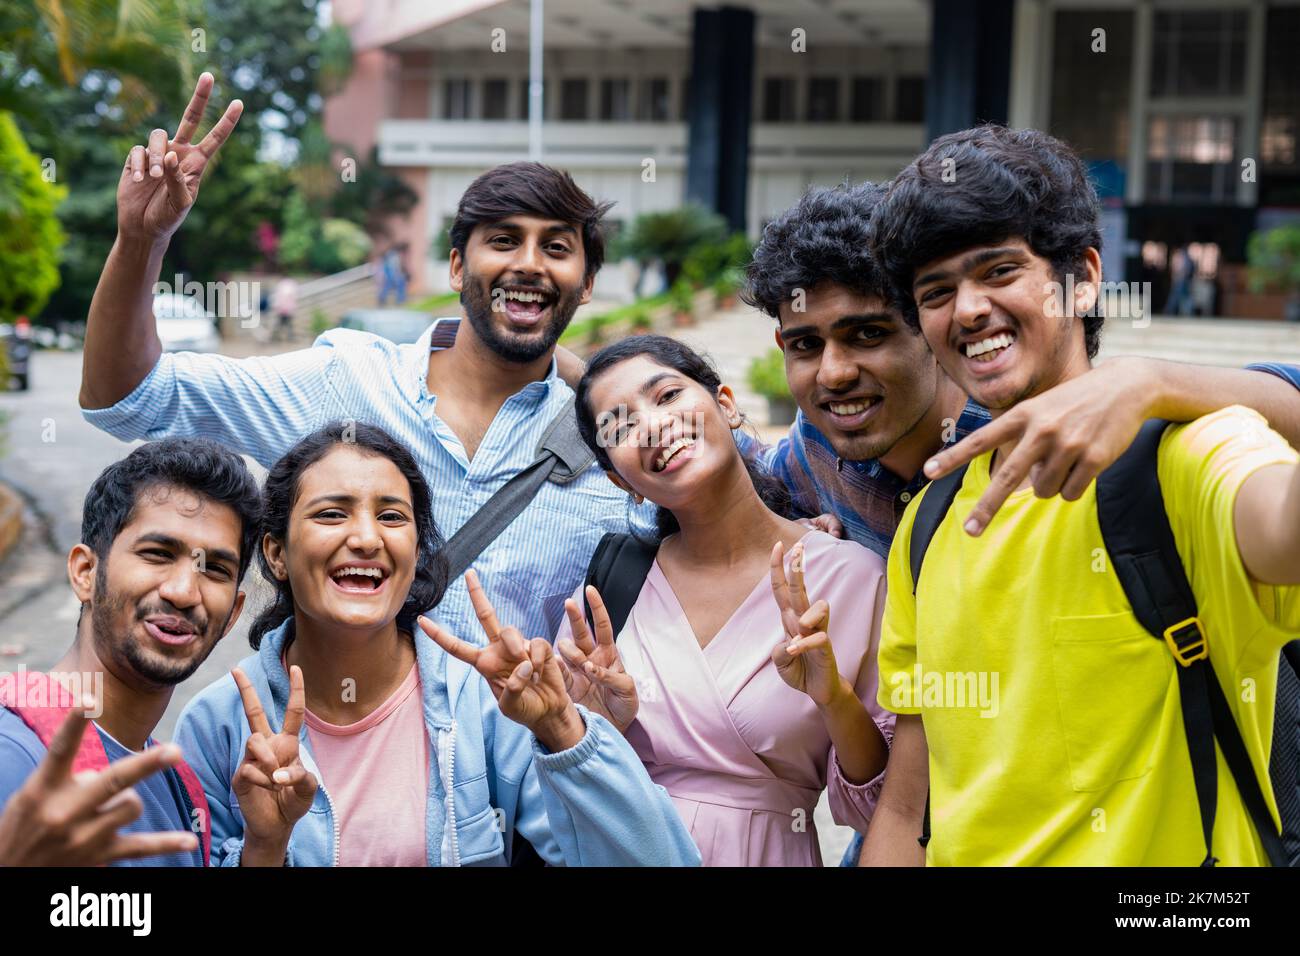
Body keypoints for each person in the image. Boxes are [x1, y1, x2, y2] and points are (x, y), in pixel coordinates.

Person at [738, 180, 1300, 865]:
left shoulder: (1120, 446)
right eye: (805, 344)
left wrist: (1153, 380)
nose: (834, 374)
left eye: (868, 334)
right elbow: (911, 799)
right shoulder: (830, 461)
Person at [79, 72, 649, 653]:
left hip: (514, 747)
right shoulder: (347, 381)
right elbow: (126, 397)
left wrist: (605, 387)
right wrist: (141, 242)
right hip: (326, 738)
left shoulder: (616, 449)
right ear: (456, 268)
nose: (529, 264)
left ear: (586, 285)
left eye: (556, 248)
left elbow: (729, 524)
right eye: (503, 241)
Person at [174, 421, 700, 867]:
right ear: (277, 553)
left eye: (391, 516)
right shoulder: (217, 724)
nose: (365, 537)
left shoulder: (487, 705)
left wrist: (562, 727)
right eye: (331, 514)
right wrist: (264, 847)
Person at [551, 336, 891, 866]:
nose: (654, 426)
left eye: (666, 397)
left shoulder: (853, 579)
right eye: (619, 426)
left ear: (726, 404)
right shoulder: (607, 593)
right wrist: (591, 727)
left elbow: (878, 807)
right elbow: (569, 793)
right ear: (621, 481)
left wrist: (835, 699)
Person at [0, 438, 262, 866]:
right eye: (157, 554)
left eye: (214, 569)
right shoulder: (14, 756)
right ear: (86, 573)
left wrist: (264, 845)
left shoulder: (181, 789)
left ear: (232, 614)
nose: (183, 592)